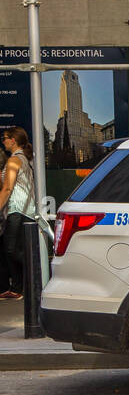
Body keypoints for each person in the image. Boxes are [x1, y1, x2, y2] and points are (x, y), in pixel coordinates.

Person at [0, 127, 39, 299]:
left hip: (17, 209)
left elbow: (7, 188)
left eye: (5, 138)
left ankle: (35, 274)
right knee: (15, 248)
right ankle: (18, 288)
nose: (3, 141)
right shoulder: (26, 159)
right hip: (27, 210)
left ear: (13, 140)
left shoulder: (14, 160)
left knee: (10, 249)